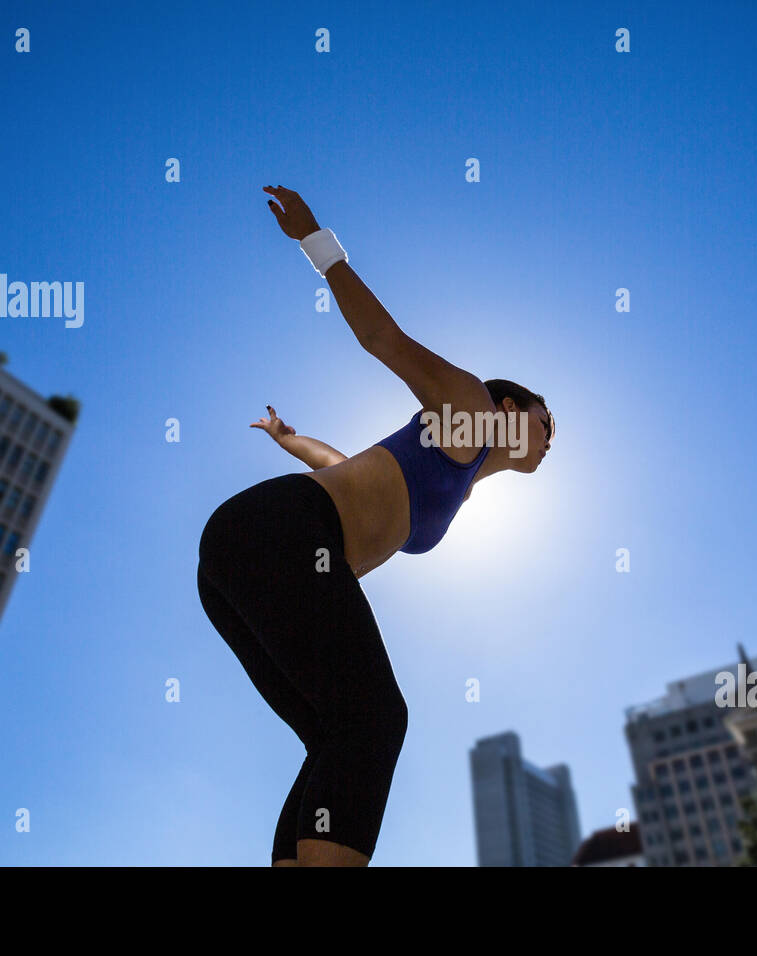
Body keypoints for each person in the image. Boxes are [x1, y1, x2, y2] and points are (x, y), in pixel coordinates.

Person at [195, 185, 554, 867]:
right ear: (511, 406)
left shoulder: (455, 478)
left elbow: (338, 462)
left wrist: (288, 439)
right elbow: (380, 338)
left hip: (246, 555)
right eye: (547, 418)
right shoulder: (470, 408)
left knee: (337, 735)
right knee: (375, 720)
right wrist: (315, 241)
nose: (551, 434)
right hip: (282, 532)